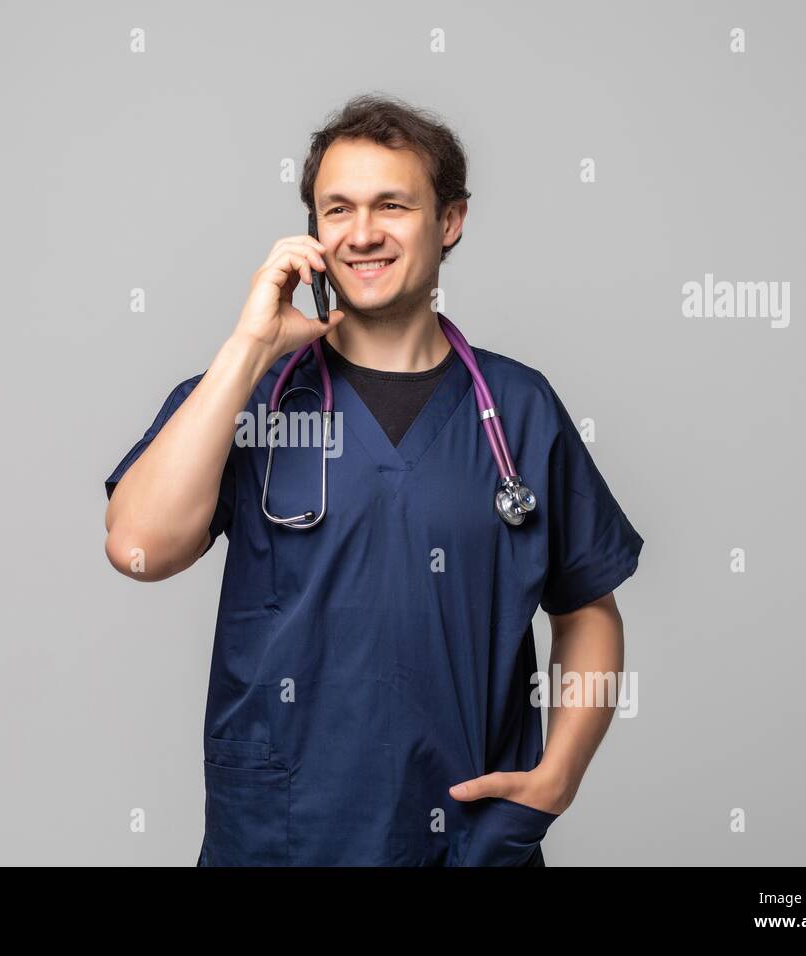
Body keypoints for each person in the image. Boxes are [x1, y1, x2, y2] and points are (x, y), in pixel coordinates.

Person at [103, 94, 645, 866]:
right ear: (315, 230)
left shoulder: (518, 409)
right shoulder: (249, 393)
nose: (362, 233)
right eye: (338, 209)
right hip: (282, 834)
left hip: (467, 839)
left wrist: (560, 774)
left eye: (392, 205)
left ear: (449, 221)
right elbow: (138, 548)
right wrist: (248, 346)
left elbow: (589, 609)